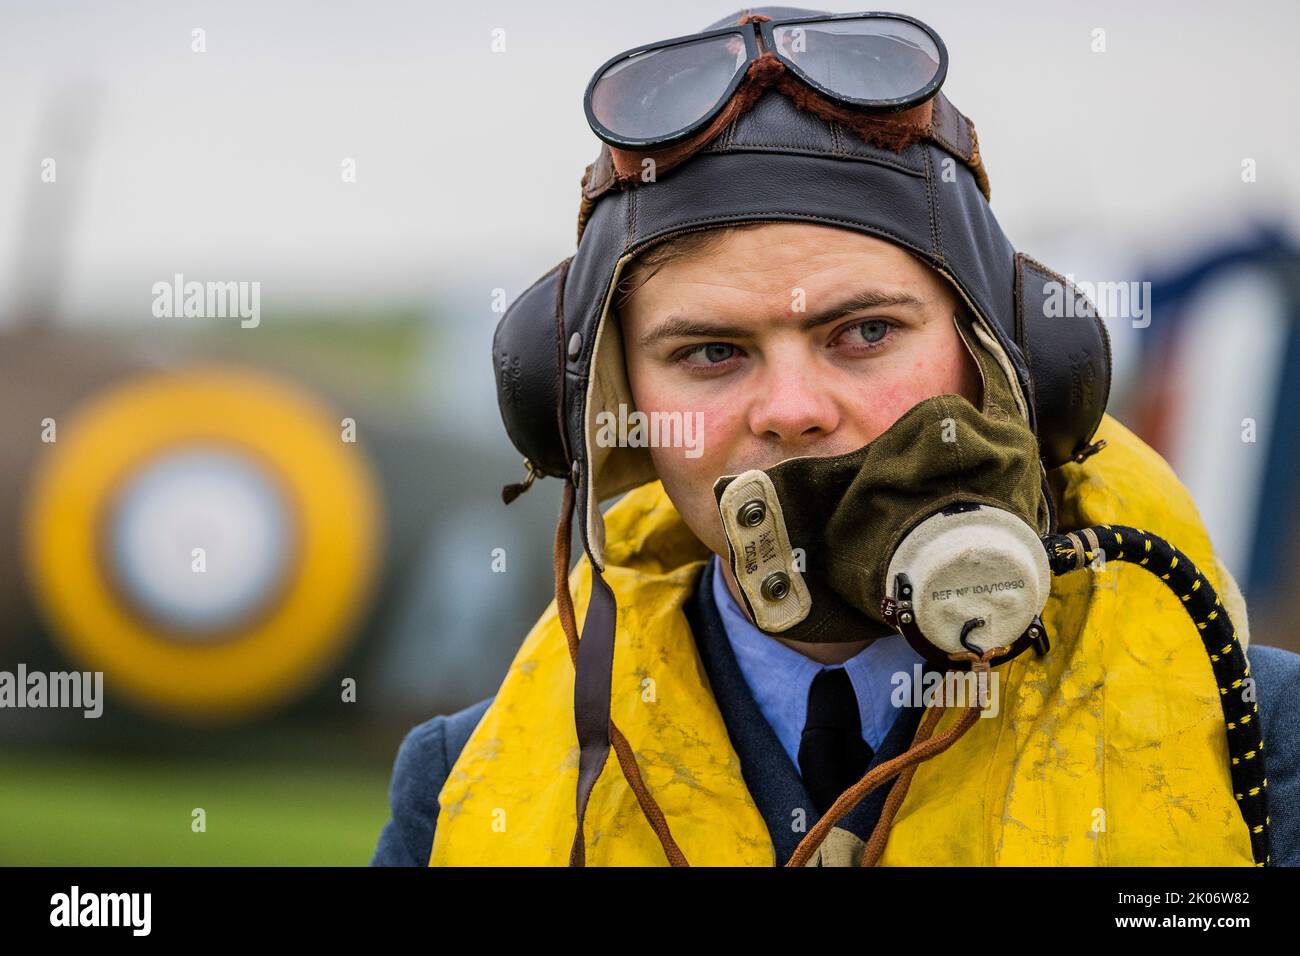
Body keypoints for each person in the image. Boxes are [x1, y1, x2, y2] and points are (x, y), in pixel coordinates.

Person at [372, 7, 1300, 867]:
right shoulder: (461, 784)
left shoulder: (1263, 737)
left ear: (1003, 358)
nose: (793, 408)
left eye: (864, 333)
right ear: (615, 407)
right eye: (710, 352)